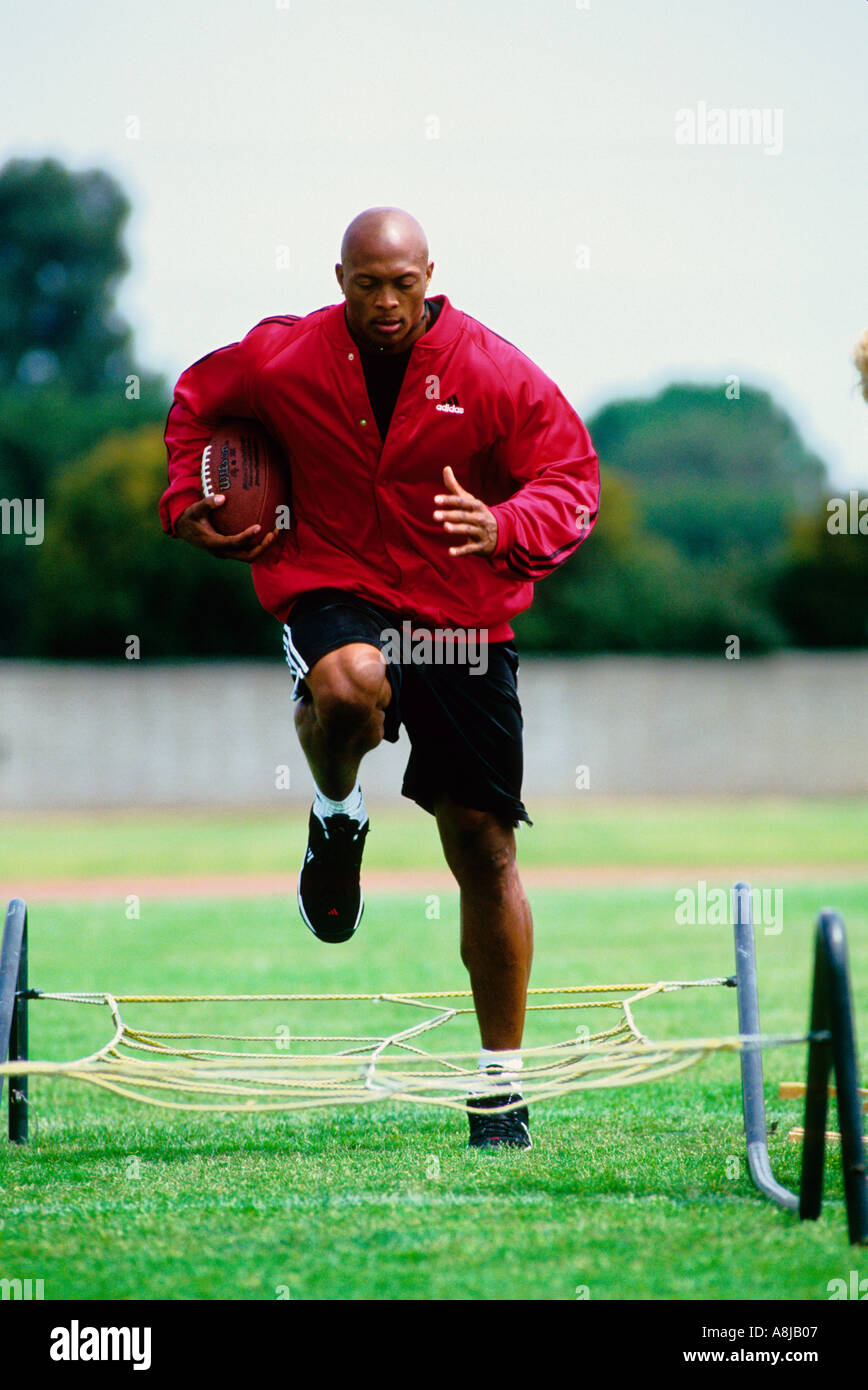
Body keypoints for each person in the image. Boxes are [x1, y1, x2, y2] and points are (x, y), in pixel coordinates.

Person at [160, 207, 599, 1150]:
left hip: (461, 613)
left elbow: (569, 476)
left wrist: (508, 526)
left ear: (430, 276)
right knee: (351, 685)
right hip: (335, 584)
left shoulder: (493, 370)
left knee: (483, 848)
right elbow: (199, 397)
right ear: (340, 279)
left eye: (403, 283)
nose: (387, 301)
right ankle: (336, 816)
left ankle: (500, 1087)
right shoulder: (285, 358)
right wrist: (181, 500)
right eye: (368, 284)